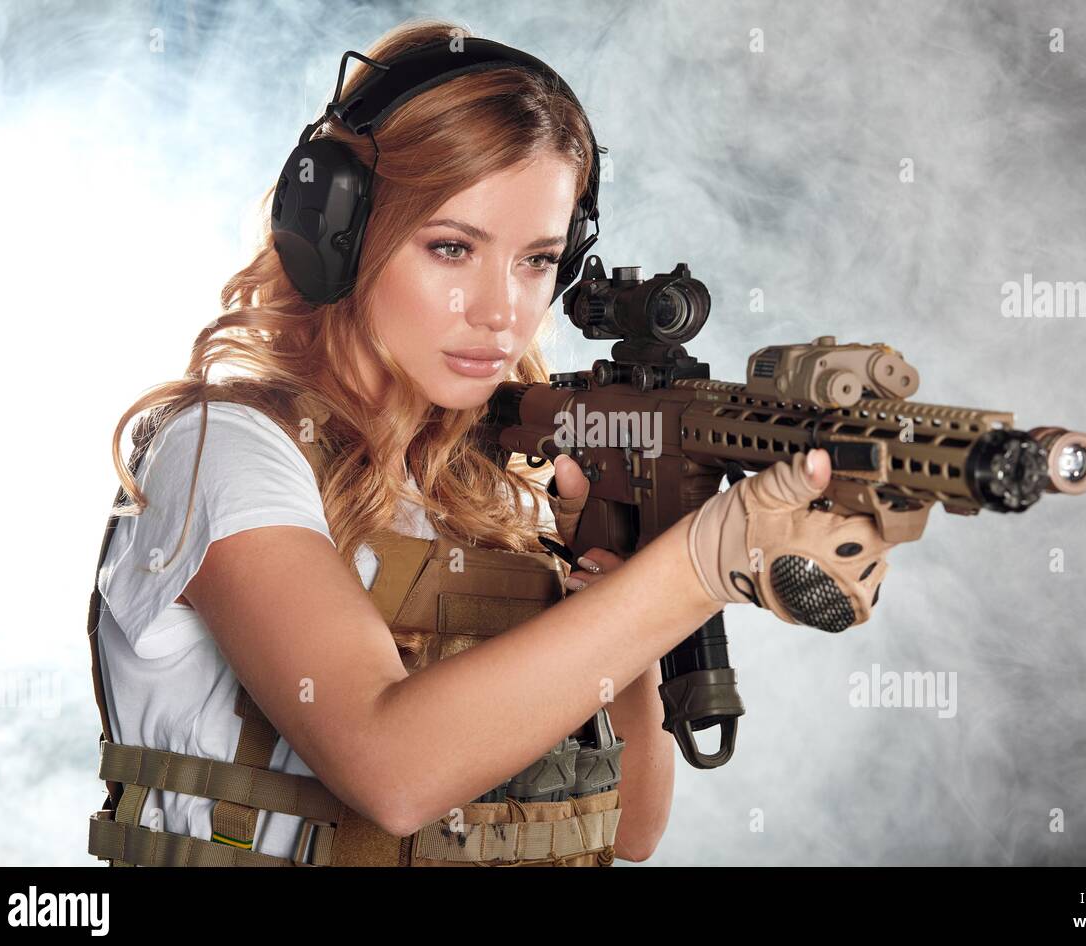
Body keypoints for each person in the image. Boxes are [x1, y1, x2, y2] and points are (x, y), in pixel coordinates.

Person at [88, 18, 903, 867]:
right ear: (337, 232)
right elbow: (391, 769)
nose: (502, 310)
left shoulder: (493, 483)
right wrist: (695, 568)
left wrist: (621, 573)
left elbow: (628, 827)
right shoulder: (222, 451)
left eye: (537, 260)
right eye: (451, 248)